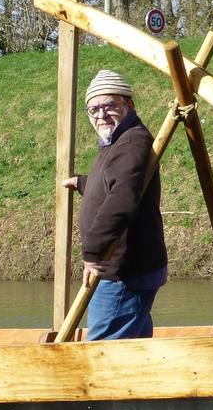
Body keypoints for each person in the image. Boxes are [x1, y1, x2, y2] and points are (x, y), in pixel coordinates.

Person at [61, 69, 168, 339]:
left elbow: (122, 198)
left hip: (121, 271)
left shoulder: (131, 142)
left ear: (128, 105)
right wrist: (85, 183)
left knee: (103, 351)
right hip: (125, 269)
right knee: (135, 350)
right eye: (93, 109)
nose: (101, 115)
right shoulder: (116, 141)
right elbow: (116, 181)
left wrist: (93, 253)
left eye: (109, 106)